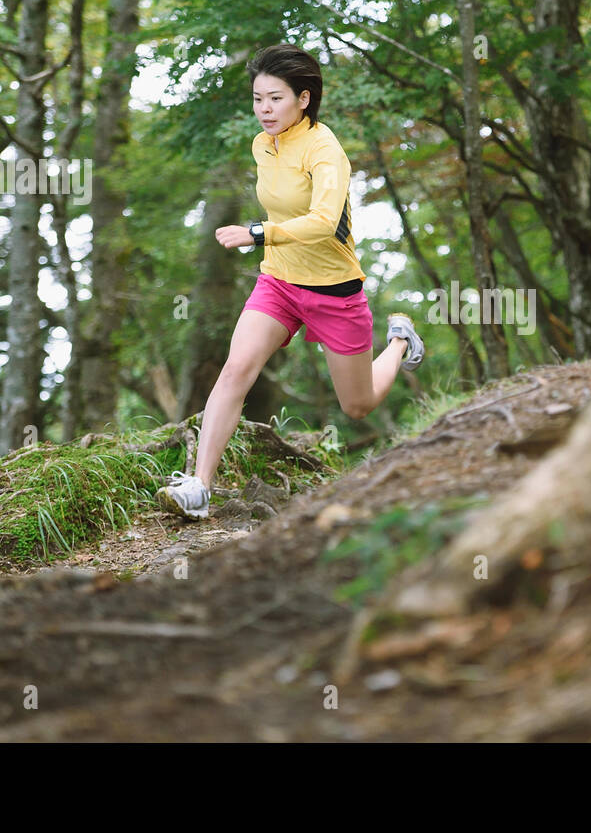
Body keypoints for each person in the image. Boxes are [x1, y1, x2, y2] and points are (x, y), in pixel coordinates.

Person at [155, 43, 424, 520]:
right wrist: (269, 243)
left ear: (304, 98)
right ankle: (199, 486)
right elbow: (282, 204)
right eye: (258, 98)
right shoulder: (263, 144)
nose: (264, 110)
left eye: (275, 98)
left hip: (333, 289)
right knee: (237, 368)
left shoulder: (326, 150)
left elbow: (323, 219)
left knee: (357, 405)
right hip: (278, 280)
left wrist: (256, 233)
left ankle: (400, 341)